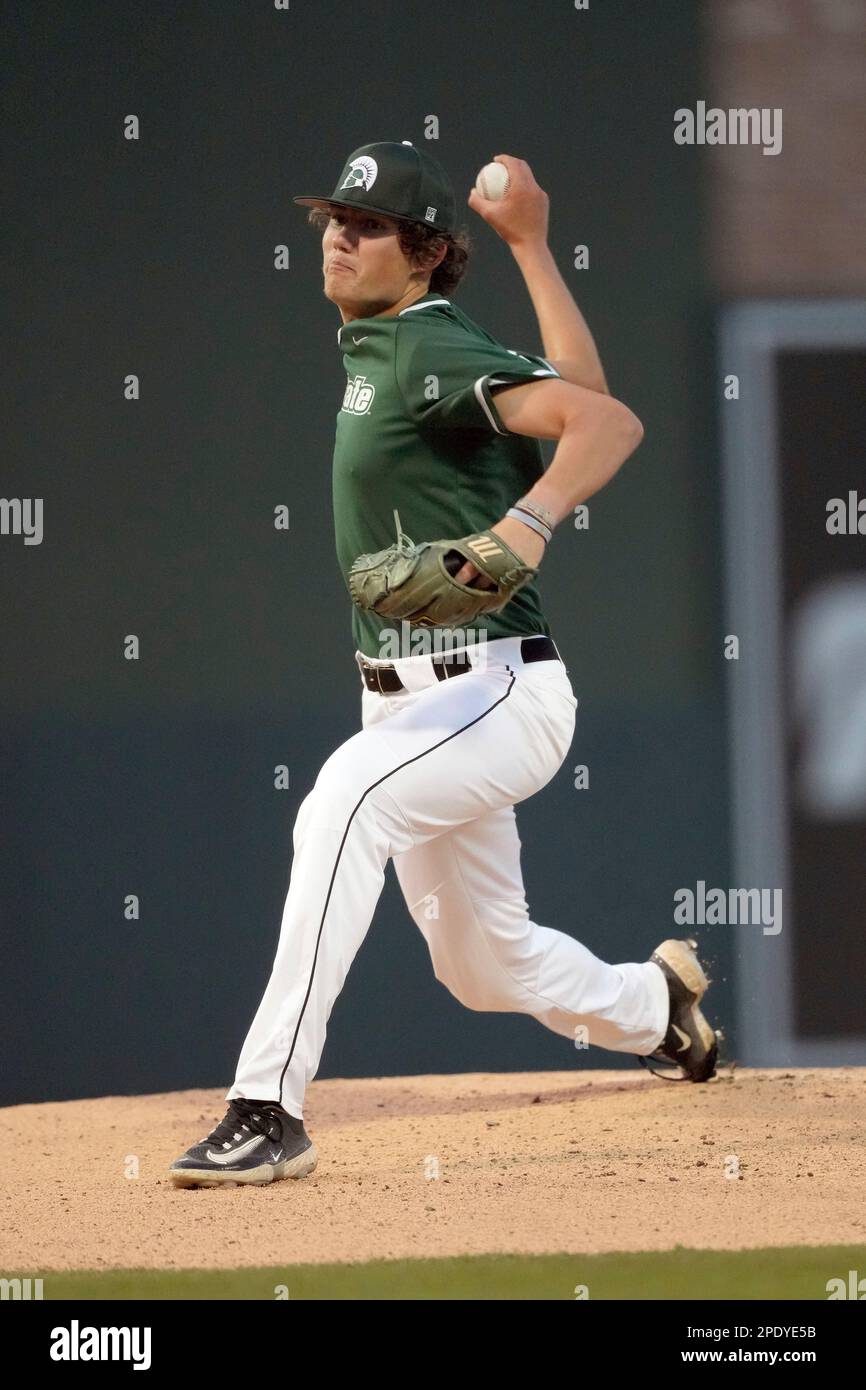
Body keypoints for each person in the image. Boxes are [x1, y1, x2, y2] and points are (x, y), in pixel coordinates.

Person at [169, 142, 718, 1189]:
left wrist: (528, 522)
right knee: (480, 965)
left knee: (339, 804)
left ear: (420, 254)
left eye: (366, 224)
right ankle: (657, 1006)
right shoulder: (400, 346)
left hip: (492, 687)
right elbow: (579, 393)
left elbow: (607, 424)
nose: (338, 233)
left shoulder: (421, 349)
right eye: (333, 216)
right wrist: (535, 248)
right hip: (410, 705)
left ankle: (266, 1106)